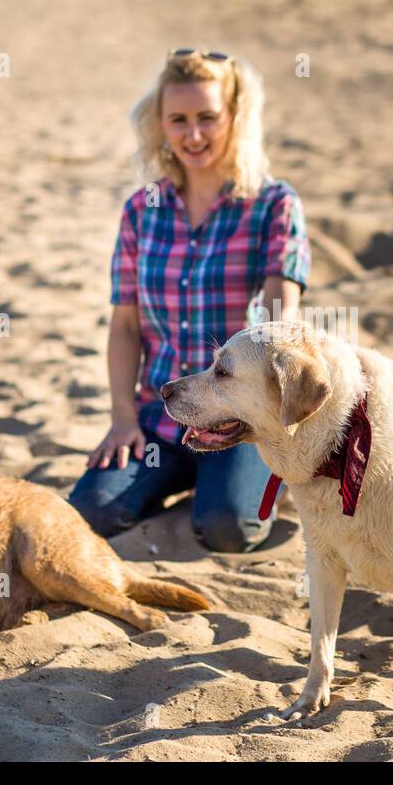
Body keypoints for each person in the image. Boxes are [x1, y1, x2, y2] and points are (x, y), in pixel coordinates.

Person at [67, 48, 310, 553]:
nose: (193, 135)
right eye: (178, 120)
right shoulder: (142, 210)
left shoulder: (273, 205)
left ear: (234, 119)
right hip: (159, 418)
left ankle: (228, 488)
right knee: (90, 513)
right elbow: (126, 326)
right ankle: (181, 482)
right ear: (160, 124)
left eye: (207, 118)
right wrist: (121, 419)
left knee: (228, 528)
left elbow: (279, 322)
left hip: (238, 421)